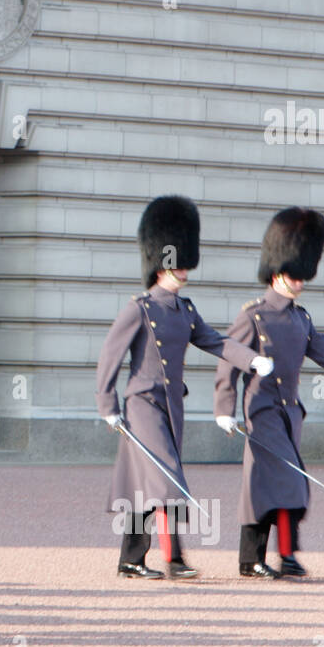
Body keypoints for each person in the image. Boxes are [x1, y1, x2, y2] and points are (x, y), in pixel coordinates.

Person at [96, 195, 272, 580]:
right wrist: (107, 405)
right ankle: (165, 556)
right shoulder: (140, 309)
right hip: (141, 403)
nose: (185, 271)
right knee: (167, 474)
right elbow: (110, 356)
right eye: (178, 263)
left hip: (172, 405)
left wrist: (250, 358)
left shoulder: (186, 310)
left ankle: (149, 559)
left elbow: (215, 342)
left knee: (148, 481)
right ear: (162, 263)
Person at [214, 207, 324, 578]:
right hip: (261, 411)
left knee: (286, 483)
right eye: (295, 274)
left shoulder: (301, 318)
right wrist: (224, 408)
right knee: (271, 482)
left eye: (303, 275)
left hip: (290, 413)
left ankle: (286, 554)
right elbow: (229, 359)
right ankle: (250, 558)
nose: (301, 282)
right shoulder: (253, 316)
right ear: (277, 272)